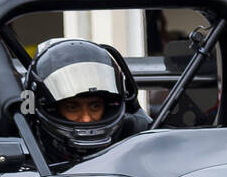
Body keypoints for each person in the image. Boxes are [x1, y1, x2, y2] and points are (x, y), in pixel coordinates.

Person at [19, 38, 149, 167]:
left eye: (95, 106)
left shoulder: (137, 138)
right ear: (52, 109)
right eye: (72, 107)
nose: (86, 118)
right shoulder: (23, 147)